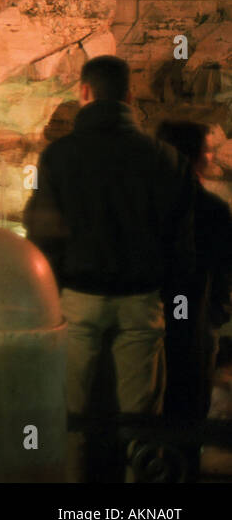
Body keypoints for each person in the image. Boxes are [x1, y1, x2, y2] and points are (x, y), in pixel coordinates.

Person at [24, 56, 193, 482]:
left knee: (70, 417)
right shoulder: (163, 158)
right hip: (141, 301)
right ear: (129, 96)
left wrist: (50, 290)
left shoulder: (59, 157)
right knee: (141, 423)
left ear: (84, 92)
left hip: (78, 299)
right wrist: (180, 308)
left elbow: (42, 232)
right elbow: (182, 243)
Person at [156, 120, 232, 472]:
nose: (211, 157)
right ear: (196, 159)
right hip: (195, 324)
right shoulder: (213, 210)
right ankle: (182, 471)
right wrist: (217, 311)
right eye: (207, 151)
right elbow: (223, 272)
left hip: (154, 321)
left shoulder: (149, 205)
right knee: (190, 404)